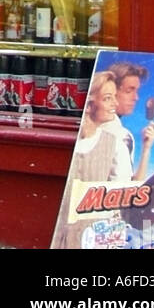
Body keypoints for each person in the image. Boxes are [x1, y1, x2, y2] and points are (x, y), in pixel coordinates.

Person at [52, 71, 129, 248]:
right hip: (58, 237)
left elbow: (119, 204)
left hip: (91, 240)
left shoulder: (115, 146)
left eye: (115, 97)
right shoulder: (68, 141)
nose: (115, 104)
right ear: (88, 105)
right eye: (108, 98)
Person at [106, 61, 154, 180]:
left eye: (136, 91)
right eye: (129, 91)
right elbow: (126, 190)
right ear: (111, 92)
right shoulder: (121, 136)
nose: (136, 98)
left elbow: (131, 186)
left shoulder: (123, 134)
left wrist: (146, 148)